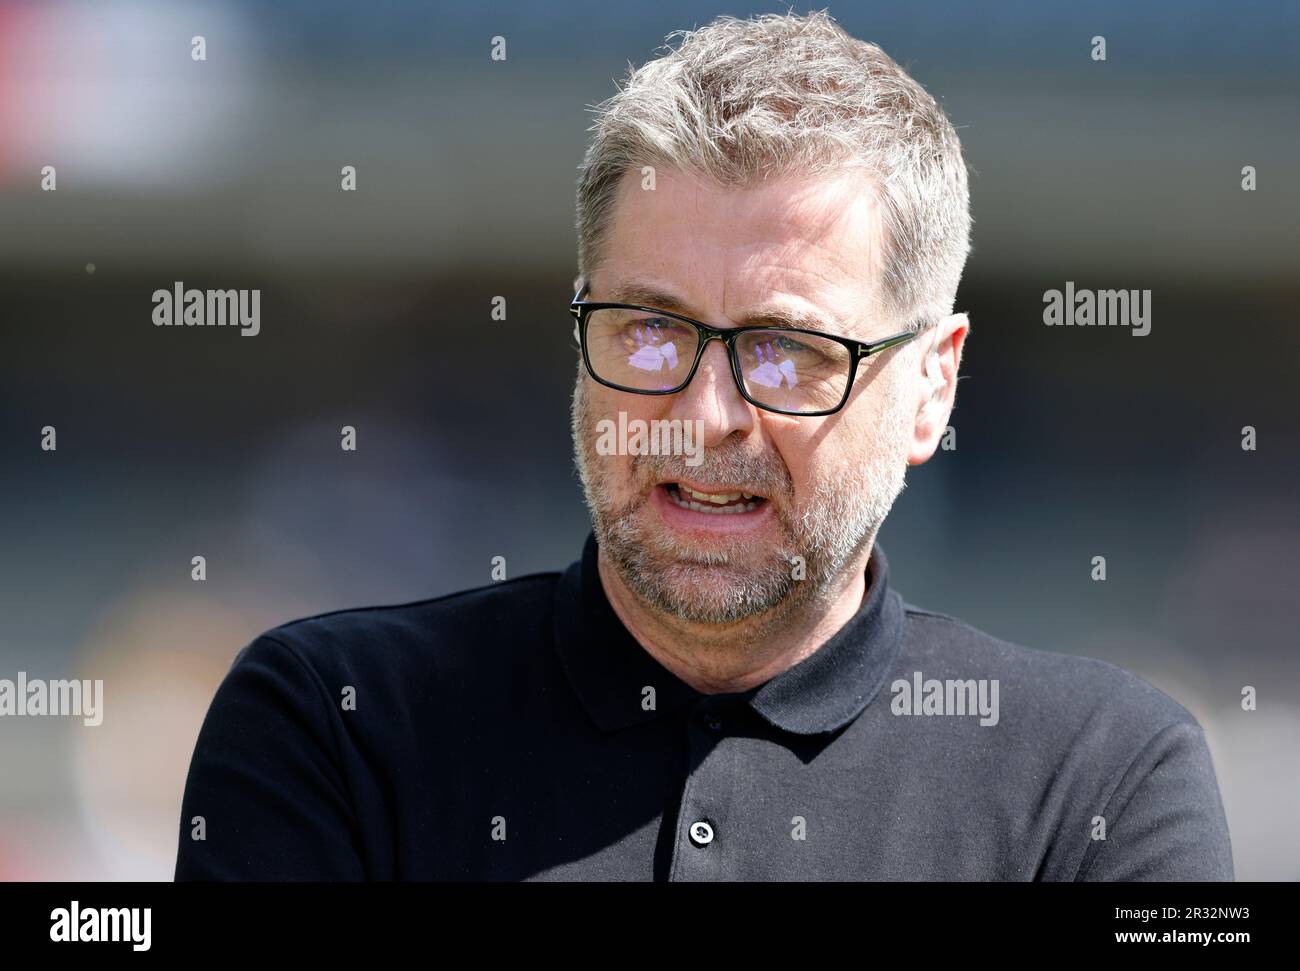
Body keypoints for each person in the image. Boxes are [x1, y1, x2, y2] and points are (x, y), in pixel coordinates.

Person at [175, 10, 1232, 881]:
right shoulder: (334, 722)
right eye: (650, 329)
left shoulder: (1101, 781)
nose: (703, 411)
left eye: (783, 347)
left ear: (929, 386)